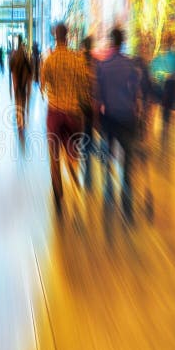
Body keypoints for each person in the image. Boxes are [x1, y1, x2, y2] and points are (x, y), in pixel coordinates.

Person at [41, 23, 92, 215]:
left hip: (54, 112)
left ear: (55, 36)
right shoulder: (77, 59)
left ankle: (58, 193)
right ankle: (72, 165)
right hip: (73, 113)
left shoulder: (49, 59)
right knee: (72, 148)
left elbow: (43, 85)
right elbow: (85, 86)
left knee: (53, 154)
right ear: (68, 36)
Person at [96, 28, 142, 222]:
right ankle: (127, 202)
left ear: (110, 42)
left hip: (110, 117)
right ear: (123, 42)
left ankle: (108, 191)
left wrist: (99, 119)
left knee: (109, 153)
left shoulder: (103, 66)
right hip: (127, 117)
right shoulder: (131, 65)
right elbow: (137, 93)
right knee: (128, 159)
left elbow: (98, 98)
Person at [79, 36, 98, 188]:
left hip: (80, 101)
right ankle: (88, 147)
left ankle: (85, 148)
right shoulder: (95, 61)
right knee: (89, 129)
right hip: (91, 101)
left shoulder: (78, 60)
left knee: (83, 129)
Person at [10, 34, 33, 132]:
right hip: (23, 83)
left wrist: (13, 84)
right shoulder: (24, 54)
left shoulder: (14, 55)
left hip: (16, 83)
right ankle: (21, 120)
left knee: (17, 101)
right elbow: (29, 71)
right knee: (22, 101)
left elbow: (12, 70)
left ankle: (19, 121)